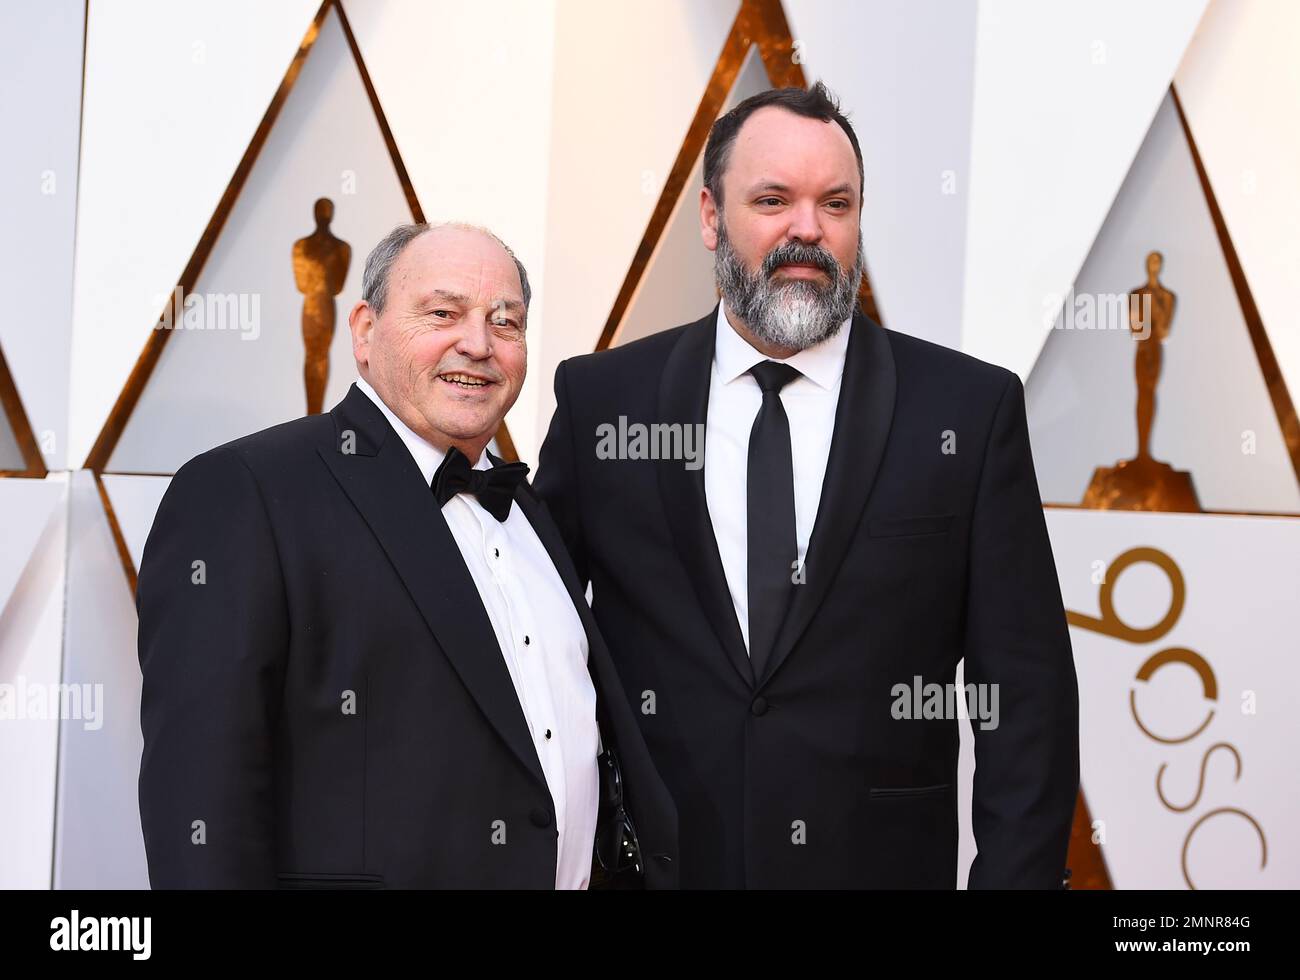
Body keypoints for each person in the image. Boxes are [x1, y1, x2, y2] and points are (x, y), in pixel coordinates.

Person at [534, 83, 1080, 888]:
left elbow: (1025, 693)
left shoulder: (968, 409)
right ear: (711, 217)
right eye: (772, 199)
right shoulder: (601, 401)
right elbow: (532, 639)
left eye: (836, 202)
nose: (807, 229)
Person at [137, 222, 676, 889]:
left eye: (505, 323)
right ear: (364, 331)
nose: (477, 344)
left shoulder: (527, 506)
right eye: (443, 313)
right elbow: (200, 803)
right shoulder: (247, 492)